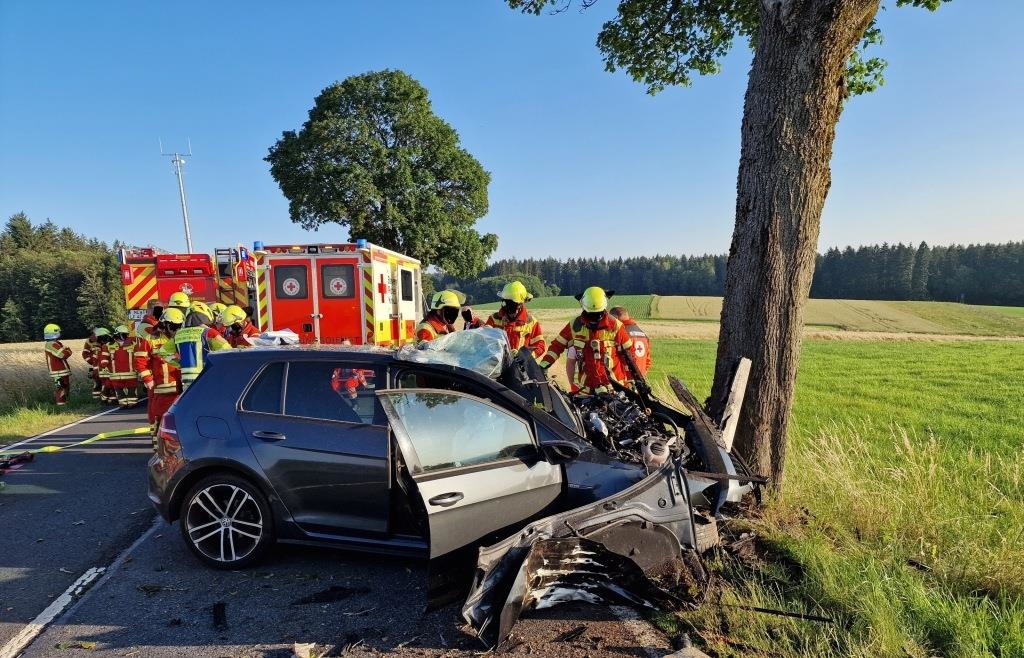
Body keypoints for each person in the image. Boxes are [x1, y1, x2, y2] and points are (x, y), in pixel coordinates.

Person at [538, 286, 634, 394]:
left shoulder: (615, 326)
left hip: (613, 390)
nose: (594, 318)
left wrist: (632, 381)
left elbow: (629, 355)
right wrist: (544, 365)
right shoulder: (575, 326)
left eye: (598, 314)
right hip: (585, 391)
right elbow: (557, 346)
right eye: (591, 314)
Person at [134, 308, 182, 448]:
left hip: (181, 387)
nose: (176, 329)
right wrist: (148, 380)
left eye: (179, 326)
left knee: (179, 419)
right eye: (173, 326)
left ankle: (176, 447)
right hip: (161, 389)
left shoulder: (180, 337)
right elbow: (140, 361)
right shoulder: (151, 339)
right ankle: (159, 447)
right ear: (165, 324)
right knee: (160, 418)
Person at [160, 300, 230, 391]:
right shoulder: (209, 332)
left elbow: (163, 352)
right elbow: (227, 351)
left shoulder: (179, 334)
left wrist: (181, 364)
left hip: (187, 381)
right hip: (206, 379)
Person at [485, 281, 545, 358]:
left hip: (520, 367)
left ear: (520, 304)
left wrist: (524, 356)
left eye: (512, 304)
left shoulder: (531, 322)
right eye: (507, 303)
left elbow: (540, 346)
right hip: (497, 365)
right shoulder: (494, 319)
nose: (509, 309)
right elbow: (484, 341)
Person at [103, 325, 140, 407]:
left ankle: (131, 403)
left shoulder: (133, 344)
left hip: (129, 374)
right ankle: (125, 403)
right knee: (121, 391)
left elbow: (138, 357)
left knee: (130, 390)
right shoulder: (108, 345)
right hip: (118, 375)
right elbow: (104, 359)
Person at [609, 306, 652, 376]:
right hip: (641, 377)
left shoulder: (620, 333)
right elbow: (648, 361)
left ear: (615, 318)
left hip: (625, 378)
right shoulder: (643, 334)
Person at [43, 323, 73, 406]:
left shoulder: (54, 343)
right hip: (59, 371)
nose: (59, 334)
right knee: (62, 387)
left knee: (64, 387)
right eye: (58, 332)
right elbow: (64, 355)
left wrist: (66, 350)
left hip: (60, 371)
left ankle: (64, 403)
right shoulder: (52, 344)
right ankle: (61, 405)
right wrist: (68, 349)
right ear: (53, 333)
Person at [81, 327, 107, 399]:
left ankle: (105, 398)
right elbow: (85, 353)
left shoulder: (106, 339)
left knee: (106, 383)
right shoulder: (90, 341)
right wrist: (92, 361)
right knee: (97, 383)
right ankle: (96, 399)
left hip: (106, 366)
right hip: (96, 367)